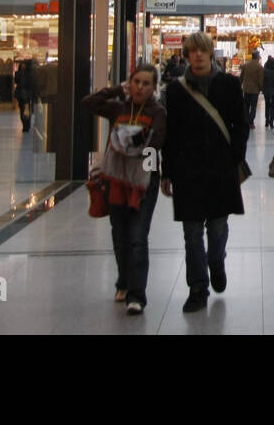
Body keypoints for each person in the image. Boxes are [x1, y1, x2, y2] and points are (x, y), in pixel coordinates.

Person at [161, 31, 249, 313]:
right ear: (186, 55)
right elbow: (170, 134)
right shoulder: (174, 91)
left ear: (211, 52)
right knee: (191, 230)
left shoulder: (229, 84)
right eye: (192, 51)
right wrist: (167, 171)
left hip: (221, 167)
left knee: (218, 225)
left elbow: (241, 124)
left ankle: (216, 261)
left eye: (202, 50)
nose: (198, 55)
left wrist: (235, 157)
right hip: (188, 169)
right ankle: (197, 286)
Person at [82, 62, 167, 315]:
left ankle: (137, 295)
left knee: (138, 238)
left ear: (153, 88)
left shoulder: (157, 111)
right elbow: (88, 102)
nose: (139, 87)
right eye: (136, 81)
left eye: (145, 83)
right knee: (120, 236)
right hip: (116, 180)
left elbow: (157, 144)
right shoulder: (119, 107)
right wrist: (115, 90)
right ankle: (124, 281)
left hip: (142, 183)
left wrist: (149, 171)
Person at [241, 49, 264, 126]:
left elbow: (241, 77)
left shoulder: (245, 65)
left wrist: (240, 85)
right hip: (255, 90)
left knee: (246, 106)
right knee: (253, 107)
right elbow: (260, 80)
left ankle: (246, 121)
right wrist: (261, 89)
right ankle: (251, 122)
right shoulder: (259, 67)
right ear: (257, 57)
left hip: (246, 89)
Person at [262, 54, 274, 130]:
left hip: (266, 90)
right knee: (273, 107)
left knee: (267, 106)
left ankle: (266, 121)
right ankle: (271, 122)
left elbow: (263, 80)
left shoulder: (265, 70)